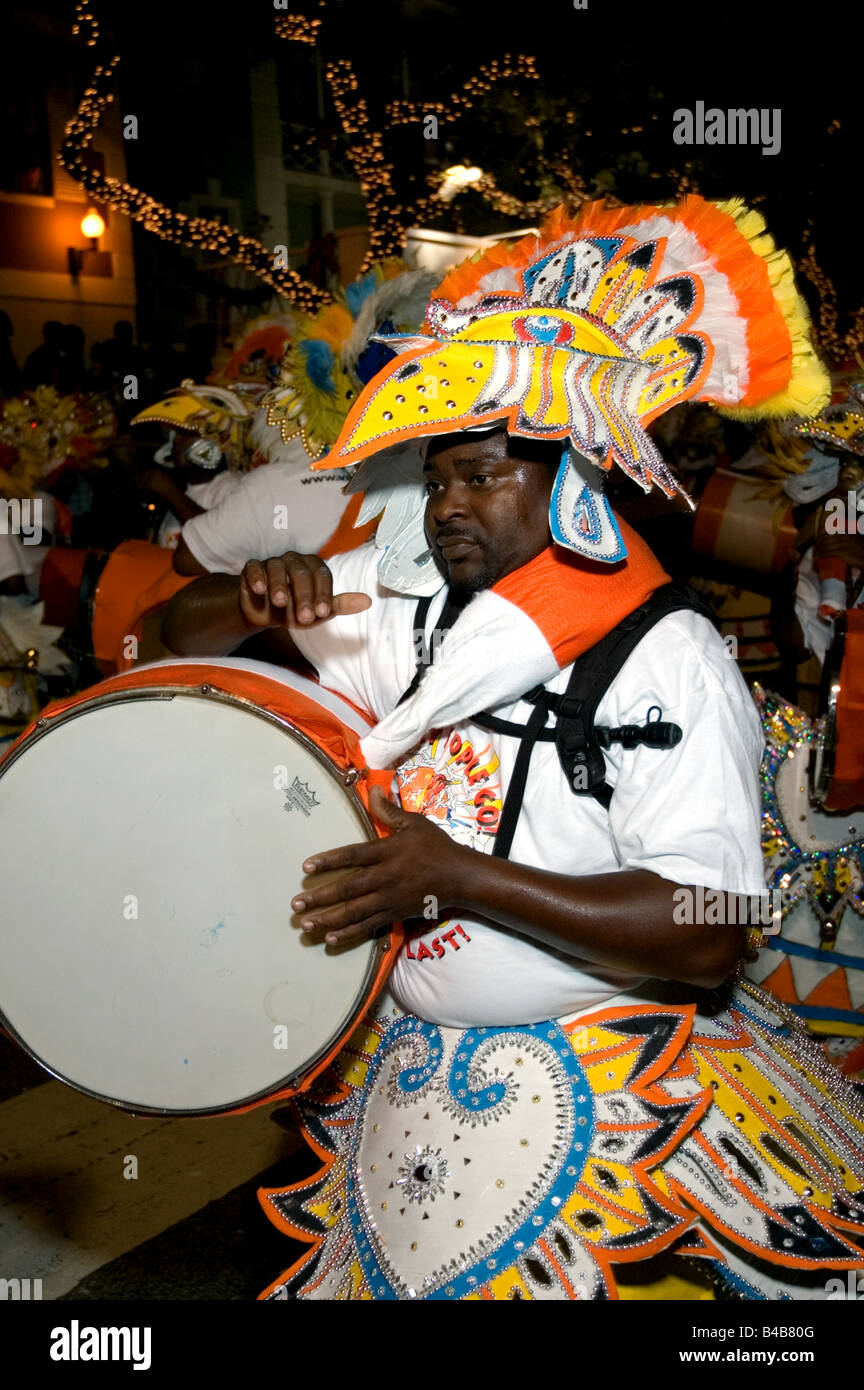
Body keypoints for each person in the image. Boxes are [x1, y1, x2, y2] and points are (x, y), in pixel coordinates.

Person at [163, 196, 864, 1301]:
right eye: (438, 477)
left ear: (574, 482)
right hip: (409, 1080)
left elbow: (710, 932)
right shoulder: (423, 616)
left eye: (482, 475)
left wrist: (459, 877)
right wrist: (251, 596)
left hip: (615, 1082)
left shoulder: (667, 656)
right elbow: (173, 636)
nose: (447, 504)